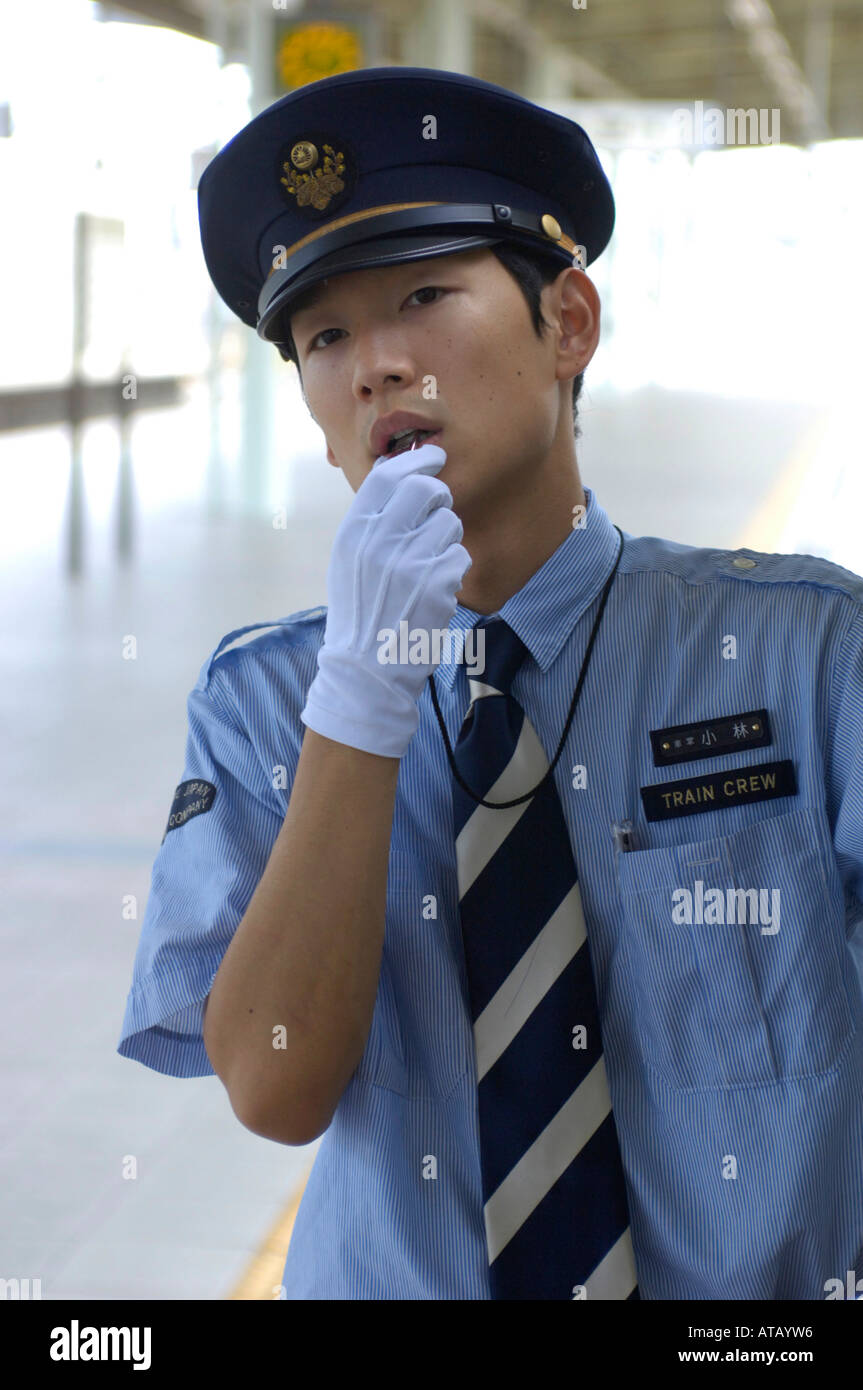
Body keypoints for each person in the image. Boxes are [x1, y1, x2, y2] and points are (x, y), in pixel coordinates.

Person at [117, 65, 863, 1302]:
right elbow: (275, 1085)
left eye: (423, 294)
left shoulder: (804, 652)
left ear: (566, 322)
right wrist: (358, 694)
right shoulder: (264, 700)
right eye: (325, 337)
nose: (374, 366)